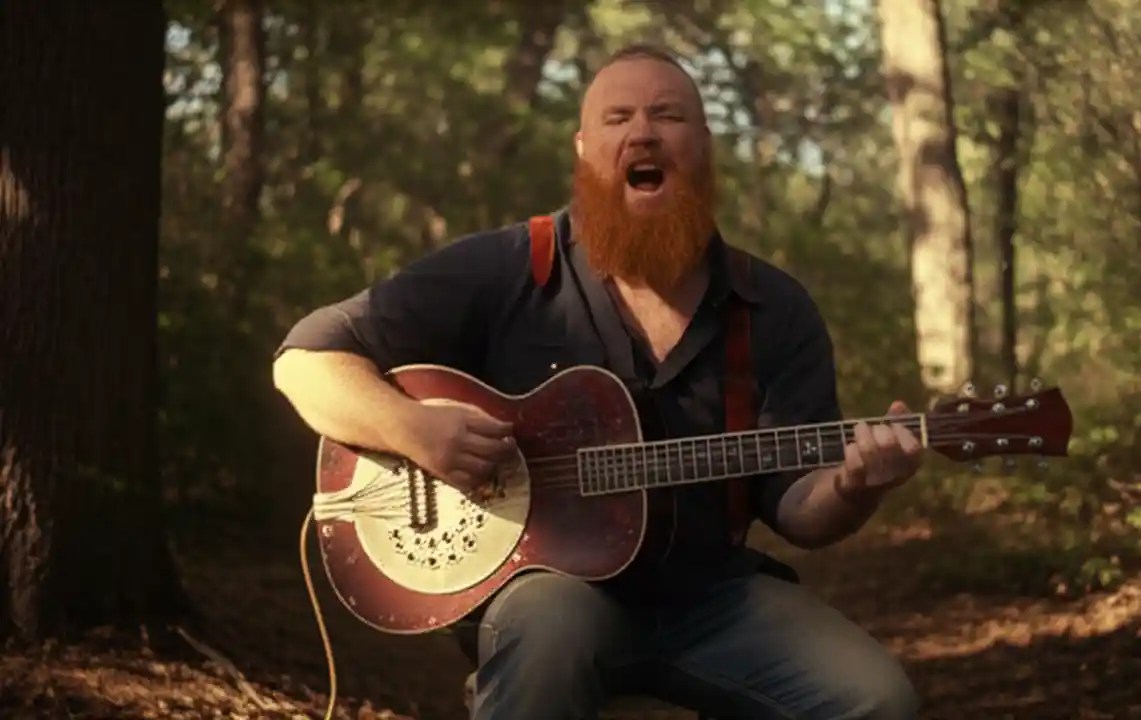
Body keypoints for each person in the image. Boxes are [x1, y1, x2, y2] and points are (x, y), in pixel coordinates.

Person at [273, 44, 922, 720]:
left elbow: (798, 508)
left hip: (712, 599)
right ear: (584, 150)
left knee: (876, 698)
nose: (642, 132)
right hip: (550, 591)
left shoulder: (774, 308)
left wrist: (853, 486)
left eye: (667, 115)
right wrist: (414, 430)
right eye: (618, 118)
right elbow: (304, 361)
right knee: (549, 626)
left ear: (702, 146)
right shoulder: (509, 267)